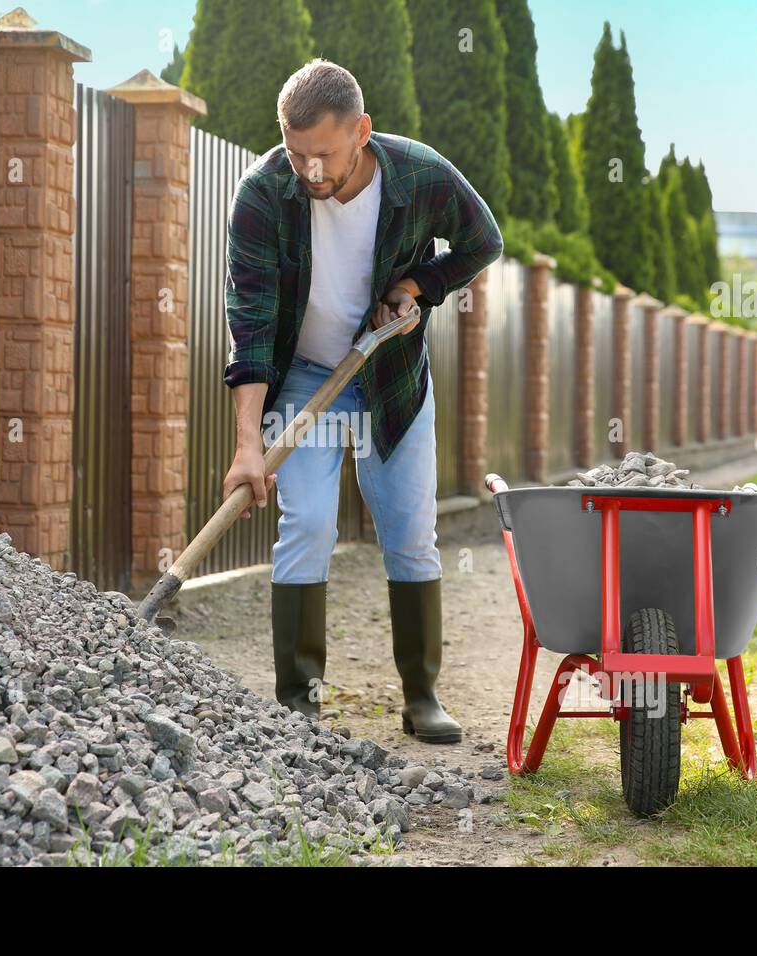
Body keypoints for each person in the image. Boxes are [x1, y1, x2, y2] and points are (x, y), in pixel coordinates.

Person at [221, 59, 502, 743]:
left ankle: (422, 696)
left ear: (362, 133)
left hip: (390, 377)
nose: (310, 173)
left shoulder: (418, 176)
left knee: (409, 534)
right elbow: (252, 324)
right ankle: (298, 701)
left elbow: (482, 241)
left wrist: (418, 285)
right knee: (308, 524)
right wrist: (248, 446)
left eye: (324, 155)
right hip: (303, 377)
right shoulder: (262, 196)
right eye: (296, 154)